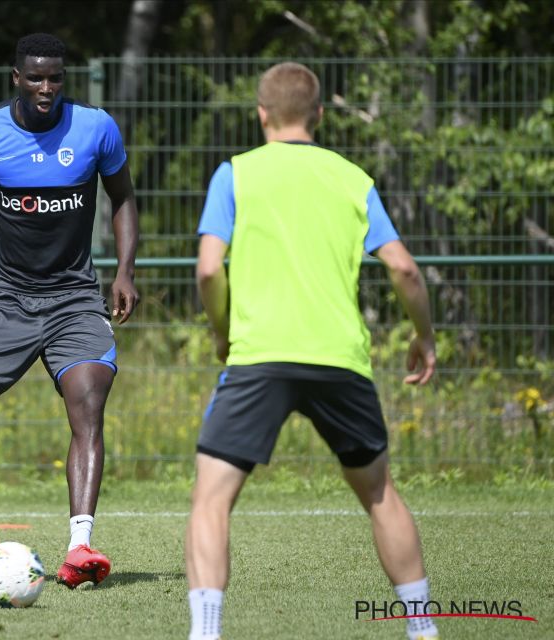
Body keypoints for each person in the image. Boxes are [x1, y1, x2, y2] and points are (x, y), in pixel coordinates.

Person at [185, 62, 439, 640]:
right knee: (379, 493)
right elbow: (403, 267)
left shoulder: (236, 174)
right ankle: (423, 631)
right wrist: (424, 338)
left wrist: (222, 331)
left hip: (259, 358)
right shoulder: (352, 177)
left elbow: (206, 271)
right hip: (338, 359)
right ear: (319, 115)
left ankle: (205, 633)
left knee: (211, 500)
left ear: (262, 114)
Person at [0, 33, 139, 590]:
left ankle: (80, 546)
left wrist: (123, 272)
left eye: (56, 78)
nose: (47, 88)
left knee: (87, 406)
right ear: (16, 78)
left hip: (74, 299)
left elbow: (123, 198)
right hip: (4, 298)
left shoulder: (96, 129)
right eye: (36, 78)